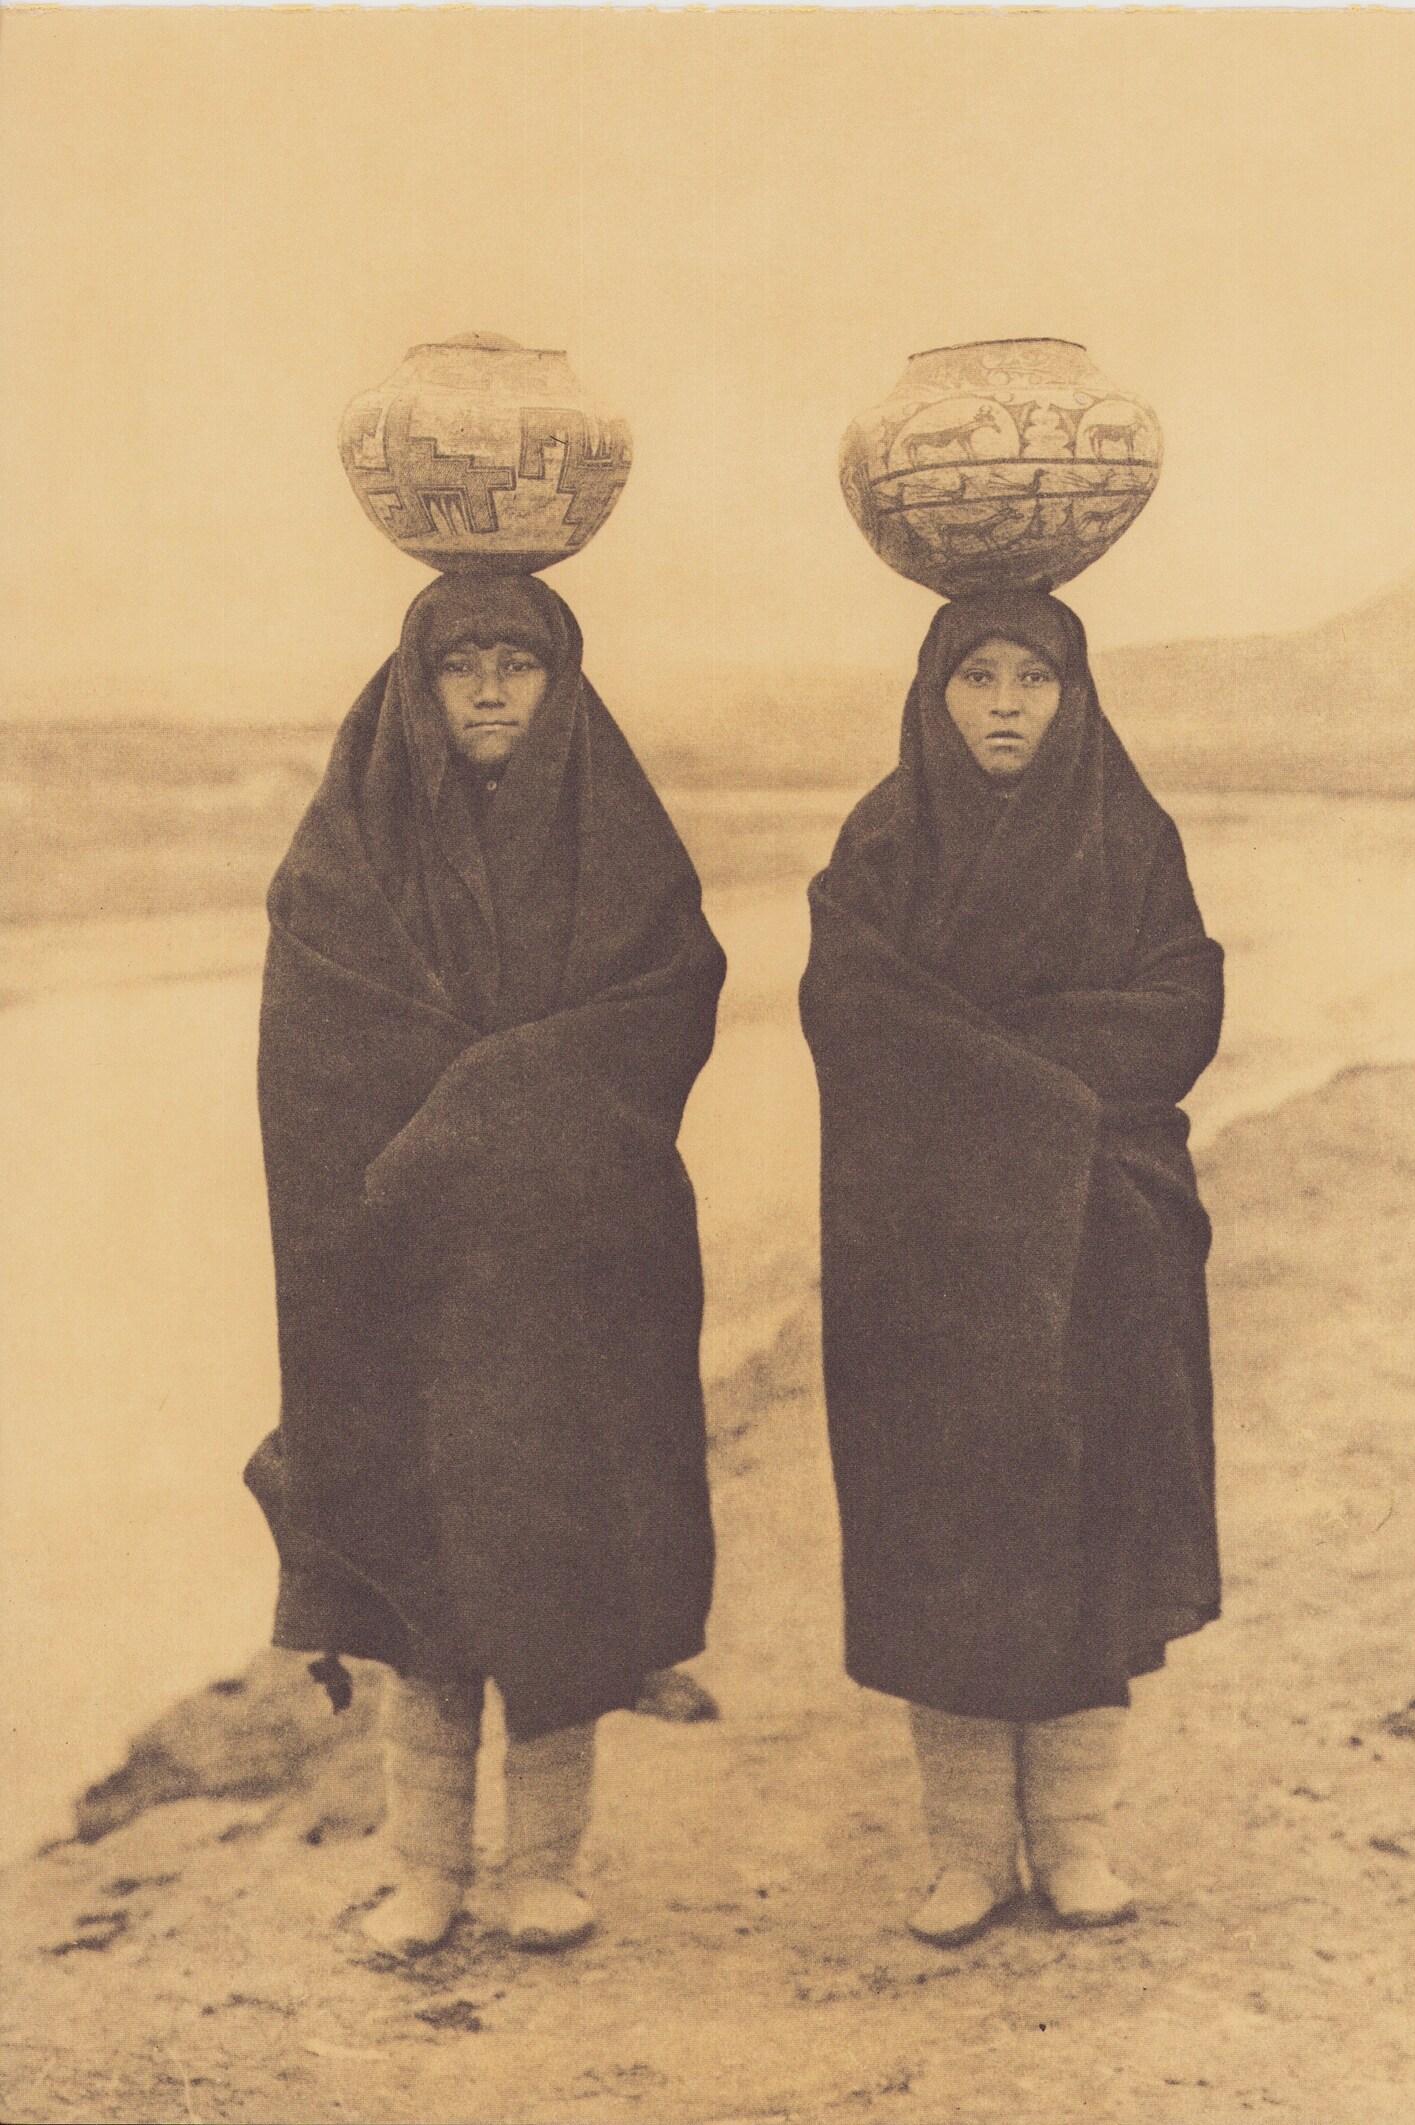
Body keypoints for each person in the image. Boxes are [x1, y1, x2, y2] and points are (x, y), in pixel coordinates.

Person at [246, 571, 726, 1957]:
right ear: (419, 683)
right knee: (425, 1580)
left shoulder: (619, 837)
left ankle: (545, 1865)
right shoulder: (349, 846)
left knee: (558, 1563)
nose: (494, 689)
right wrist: (430, 1146)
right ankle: (423, 1868)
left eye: (521, 661)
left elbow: (665, 1003)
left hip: (572, 1266)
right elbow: (318, 1040)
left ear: (563, 681)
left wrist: (479, 1105)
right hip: (397, 1273)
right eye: (465, 665)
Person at [799, 591, 1223, 1947]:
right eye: (974, 676)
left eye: (1031, 679)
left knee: (1089, 1527)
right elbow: (855, 1015)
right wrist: (1040, 1079)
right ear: (932, 694)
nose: (1002, 704)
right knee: (950, 1539)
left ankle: (1081, 1838)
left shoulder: (1128, 833)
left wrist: (996, 1066)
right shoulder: (881, 842)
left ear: (1073, 693)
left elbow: (1181, 1006)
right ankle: (969, 1850)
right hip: (930, 1251)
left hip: (1101, 1241)